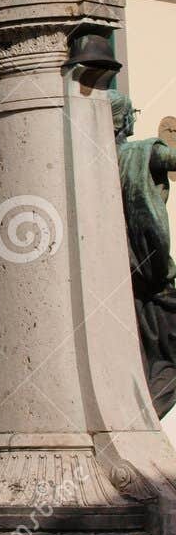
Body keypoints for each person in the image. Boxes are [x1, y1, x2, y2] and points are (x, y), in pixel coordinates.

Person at [112, 92, 176, 418]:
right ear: (125, 120)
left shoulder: (94, 161)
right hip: (153, 277)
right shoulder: (139, 153)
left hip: (123, 275)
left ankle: (137, 417)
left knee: (143, 355)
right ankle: (140, 420)